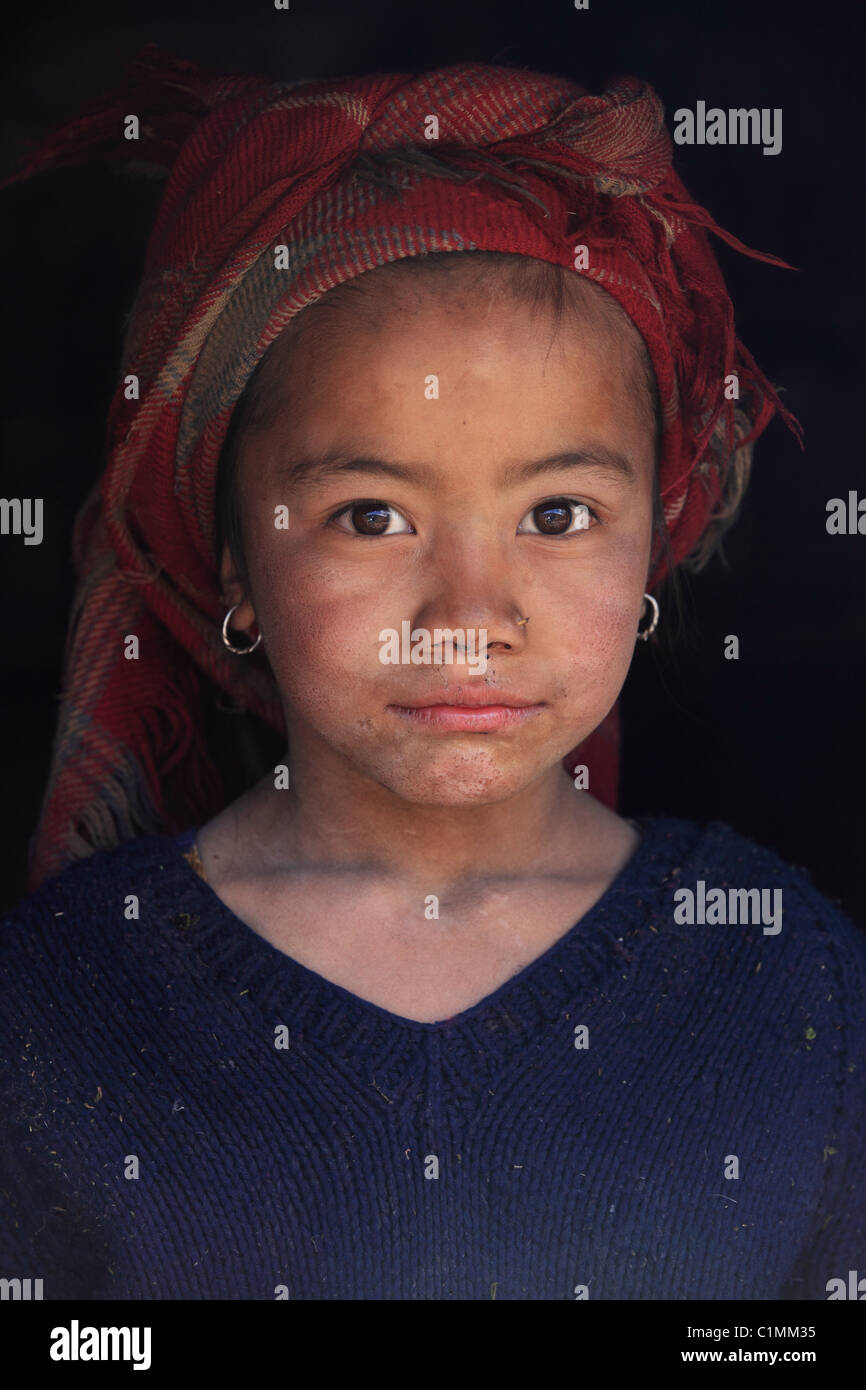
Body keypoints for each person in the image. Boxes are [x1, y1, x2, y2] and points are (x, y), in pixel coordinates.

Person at [1, 47, 863, 1301]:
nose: (466, 616)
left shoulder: (782, 981)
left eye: (557, 516)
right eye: (370, 516)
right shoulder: (61, 999)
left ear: (653, 543)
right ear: (233, 560)